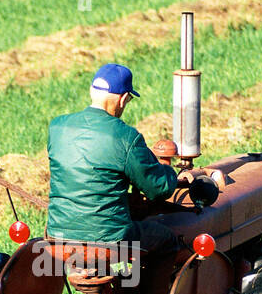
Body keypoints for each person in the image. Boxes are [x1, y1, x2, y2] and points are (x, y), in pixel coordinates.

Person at [45, 63, 180, 255]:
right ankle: (141, 284)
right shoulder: (126, 137)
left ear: (92, 90)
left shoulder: (57, 127)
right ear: (123, 99)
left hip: (57, 236)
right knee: (167, 239)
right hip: (109, 239)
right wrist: (170, 172)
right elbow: (158, 188)